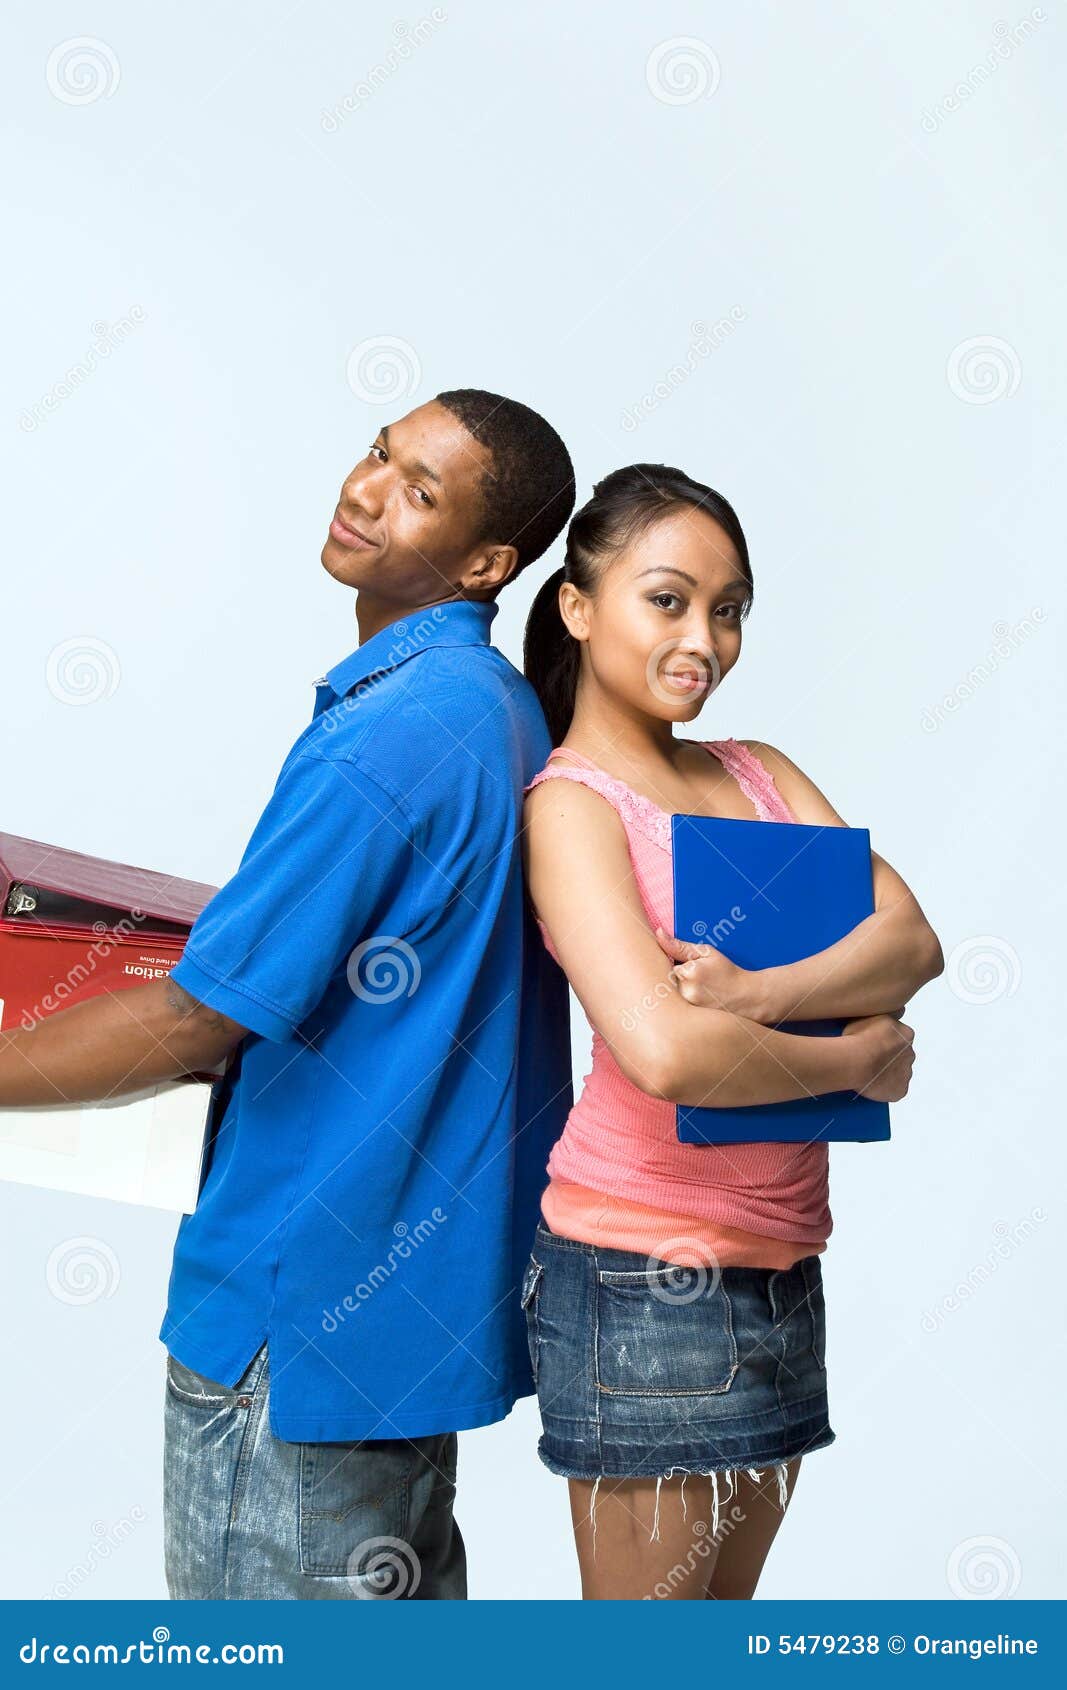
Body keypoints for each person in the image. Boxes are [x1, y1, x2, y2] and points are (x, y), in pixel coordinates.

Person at [0, 390, 577, 1600]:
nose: (365, 489)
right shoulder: (492, 708)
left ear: (487, 562)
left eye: (419, 490)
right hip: (400, 1319)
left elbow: (197, 1017)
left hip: (299, 1318)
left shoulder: (394, 734)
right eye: (379, 452)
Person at [519, 463, 943, 1601]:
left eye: (729, 609)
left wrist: (753, 996)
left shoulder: (761, 773)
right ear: (577, 606)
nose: (703, 639)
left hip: (781, 1264)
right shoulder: (570, 807)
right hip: (640, 1269)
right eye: (666, 599)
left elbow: (909, 939)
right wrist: (853, 1057)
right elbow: (664, 1052)